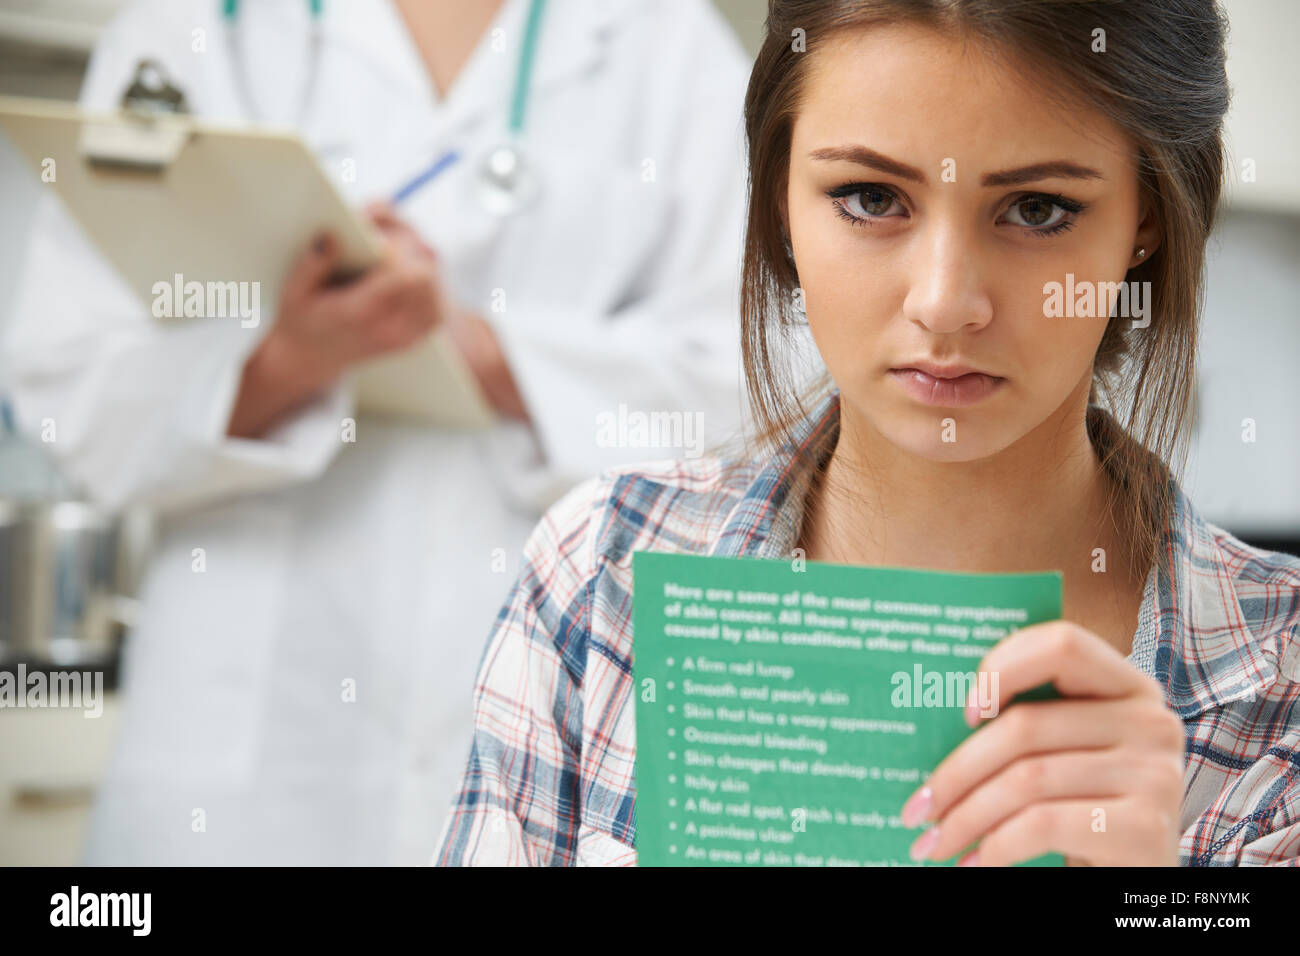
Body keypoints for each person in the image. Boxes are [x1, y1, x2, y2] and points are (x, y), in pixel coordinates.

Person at [434, 0, 1300, 866]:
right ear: (779, 198)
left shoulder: (1280, 688)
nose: (944, 301)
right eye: (871, 197)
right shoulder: (601, 576)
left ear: (1147, 218)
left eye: (1037, 210)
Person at [2, 0, 754, 864]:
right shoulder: (199, 23)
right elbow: (66, 395)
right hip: (240, 767)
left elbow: (759, 396)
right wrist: (288, 360)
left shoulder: (663, 41)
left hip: (541, 733)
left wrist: (483, 351)